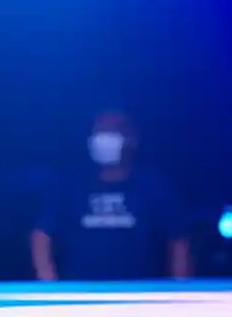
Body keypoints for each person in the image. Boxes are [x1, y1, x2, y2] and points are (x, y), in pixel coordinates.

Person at [31, 112, 191, 281]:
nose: (104, 137)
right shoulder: (70, 186)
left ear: (132, 139)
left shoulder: (152, 187)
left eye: (113, 130)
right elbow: (41, 234)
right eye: (99, 131)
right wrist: (49, 285)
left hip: (141, 292)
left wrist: (180, 290)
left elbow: (178, 241)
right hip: (80, 291)